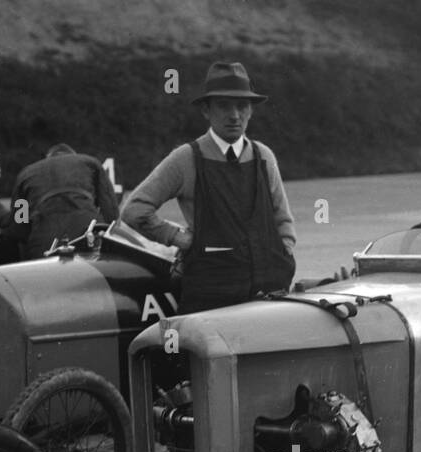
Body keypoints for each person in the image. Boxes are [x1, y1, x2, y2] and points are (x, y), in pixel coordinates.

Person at [122, 60, 295, 313]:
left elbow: (283, 218)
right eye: (224, 106)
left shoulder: (263, 156)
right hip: (211, 298)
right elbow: (135, 210)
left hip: (270, 294)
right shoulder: (186, 158)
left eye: (242, 106)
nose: (234, 115)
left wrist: (285, 251)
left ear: (251, 110)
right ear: (206, 110)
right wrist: (178, 238)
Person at [11, 143, 119, 260]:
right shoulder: (91, 162)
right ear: (74, 156)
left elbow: (19, 226)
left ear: (48, 157)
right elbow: (111, 213)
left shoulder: (24, 174)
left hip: (43, 238)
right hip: (86, 232)